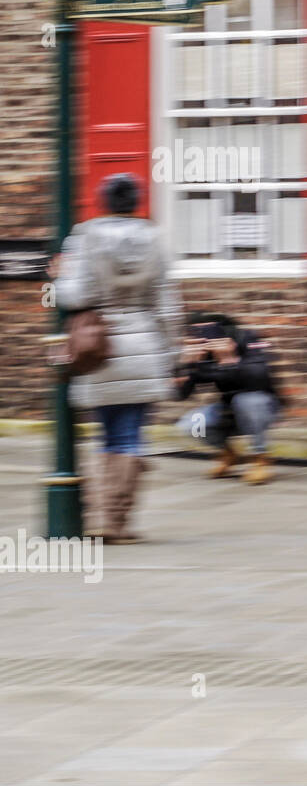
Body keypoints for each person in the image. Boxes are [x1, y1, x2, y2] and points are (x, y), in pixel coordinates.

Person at [54, 173, 182, 543]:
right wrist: (172, 353)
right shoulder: (154, 238)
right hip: (144, 349)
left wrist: (60, 276)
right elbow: (168, 307)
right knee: (130, 435)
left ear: (104, 201)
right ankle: (118, 520)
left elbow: (73, 295)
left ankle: (99, 517)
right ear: (136, 201)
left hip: (100, 349)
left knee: (105, 435)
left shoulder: (86, 235)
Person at [175, 313, 283, 485]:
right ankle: (229, 454)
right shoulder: (200, 352)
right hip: (228, 409)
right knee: (191, 424)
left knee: (247, 400)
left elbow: (259, 378)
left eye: (210, 329)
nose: (205, 336)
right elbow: (180, 394)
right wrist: (184, 366)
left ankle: (259, 457)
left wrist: (229, 359)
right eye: (198, 331)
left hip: (263, 407)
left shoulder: (247, 339)